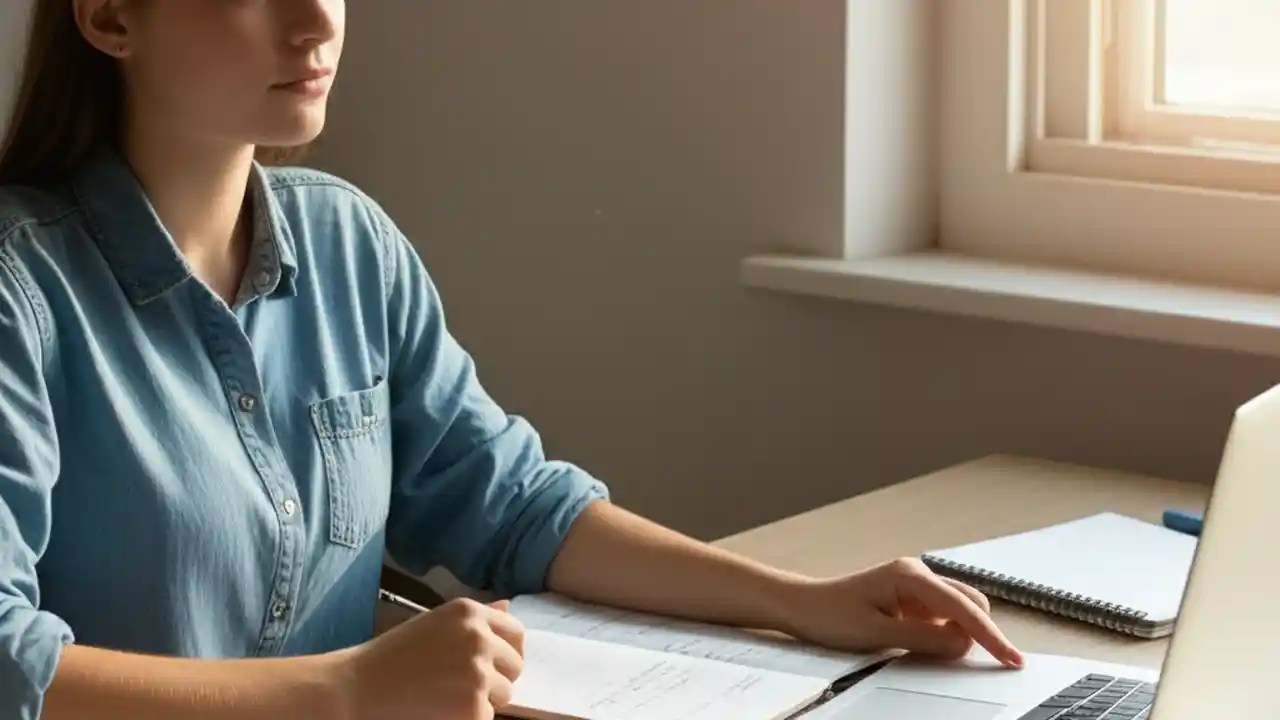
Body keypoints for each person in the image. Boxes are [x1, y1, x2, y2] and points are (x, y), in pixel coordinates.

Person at [0, 1, 1023, 719]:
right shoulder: (21, 291)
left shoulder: (350, 246)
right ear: (109, 17)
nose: (315, 20)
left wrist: (802, 604)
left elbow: (514, 508)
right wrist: (349, 695)